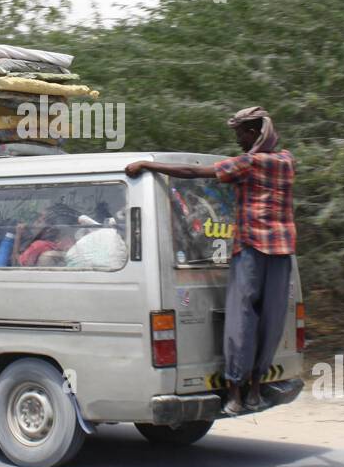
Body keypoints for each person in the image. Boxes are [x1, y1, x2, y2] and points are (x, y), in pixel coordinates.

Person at [126, 106, 296, 415]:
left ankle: (234, 393)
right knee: (271, 321)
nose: (238, 141)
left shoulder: (249, 164)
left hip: (251, 249)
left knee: (241, 320)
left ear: (256, 133)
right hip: (282, 251)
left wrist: (147, 166)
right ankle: (255, 390)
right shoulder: (287, 162)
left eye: (241, 134)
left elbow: (194, 173)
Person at [15, 204, 79, 266]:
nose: (34, 224)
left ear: (49, 228)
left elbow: (17, 264)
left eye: (39, 221)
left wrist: (18, 236)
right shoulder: (69, 242)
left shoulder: (38, 246)